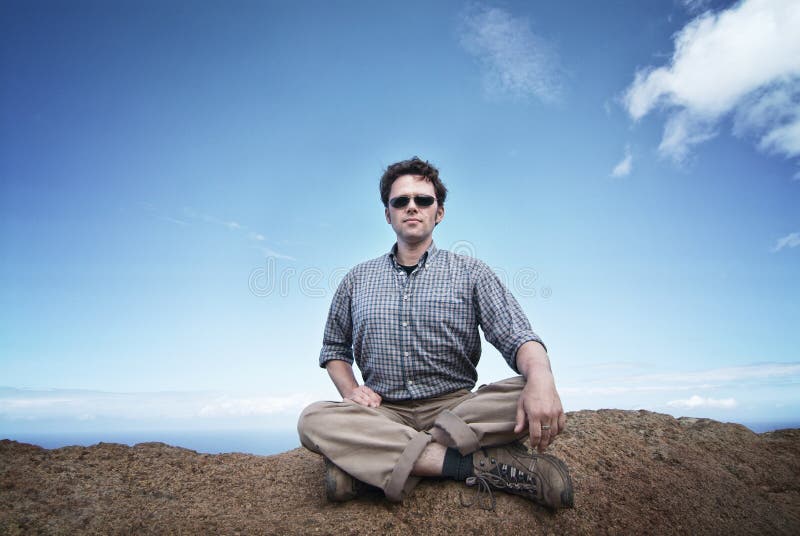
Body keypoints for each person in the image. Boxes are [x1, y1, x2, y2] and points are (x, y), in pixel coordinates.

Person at [297, 157, 573, 510]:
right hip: (382, 411)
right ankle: (469, 464)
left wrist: (542, 377)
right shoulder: (356, 279)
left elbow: (517, 336)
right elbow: (334, 349)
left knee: (530, 388)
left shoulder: (471, 272)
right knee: (313, 420)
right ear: (388, 214)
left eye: (423, 200)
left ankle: (371, 463)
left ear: (438, 212)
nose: (412, 206)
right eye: (400, 201)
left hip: (457, 409)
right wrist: (352, 392)